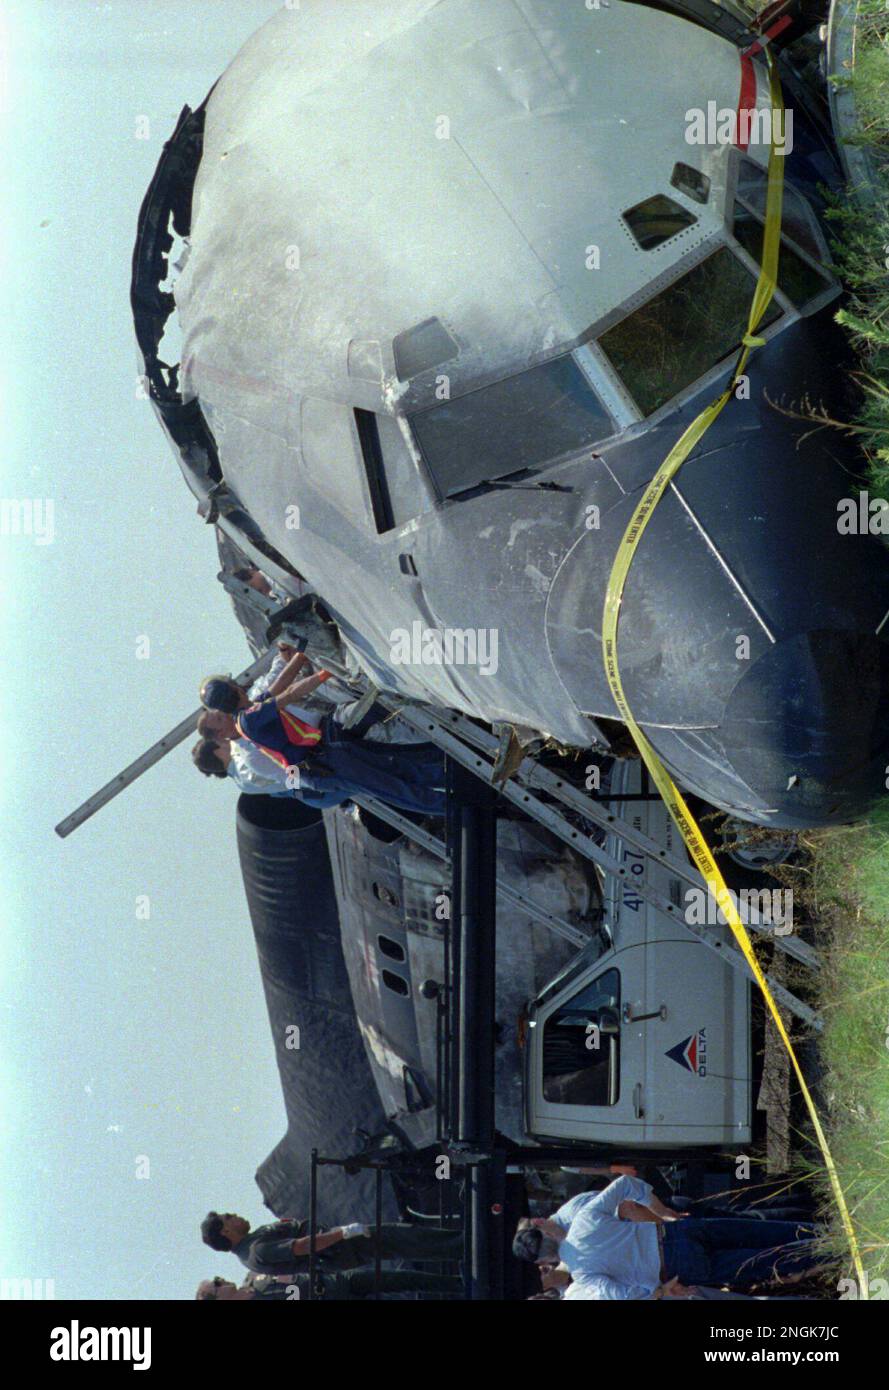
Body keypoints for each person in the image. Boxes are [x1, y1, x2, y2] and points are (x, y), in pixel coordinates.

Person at [511, 1174, 823, 1299]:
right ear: (541, 1232)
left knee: (760, 1263)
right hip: (672, 1232)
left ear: (544, 1261)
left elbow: (620, 1296)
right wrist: (661, 1211)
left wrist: (660, 1291)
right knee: (757, 1231)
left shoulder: (583, 1276)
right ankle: (824, 1234)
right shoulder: (583, 1219)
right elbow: (623, 1184)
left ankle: (829, 1249)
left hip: (676, 1267)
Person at [200, 1211, 463, 1277]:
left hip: (340, 1248)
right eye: (229, 1217)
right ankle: (465, 1246)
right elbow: (302, 1247)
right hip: (342, 1246)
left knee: (405, 1240)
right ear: (225, 1230)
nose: (235, 1215)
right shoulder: (256, 1251)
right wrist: (344, 1233)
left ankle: (461, 1247)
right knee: (406, 1239)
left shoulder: (251, 1245)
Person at [196, 1268, 462, 1300]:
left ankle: (460, 1283)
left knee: (402, 1278)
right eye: (217, 1283)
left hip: (336, 1282)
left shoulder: (255, 1275)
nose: (222, 1278)